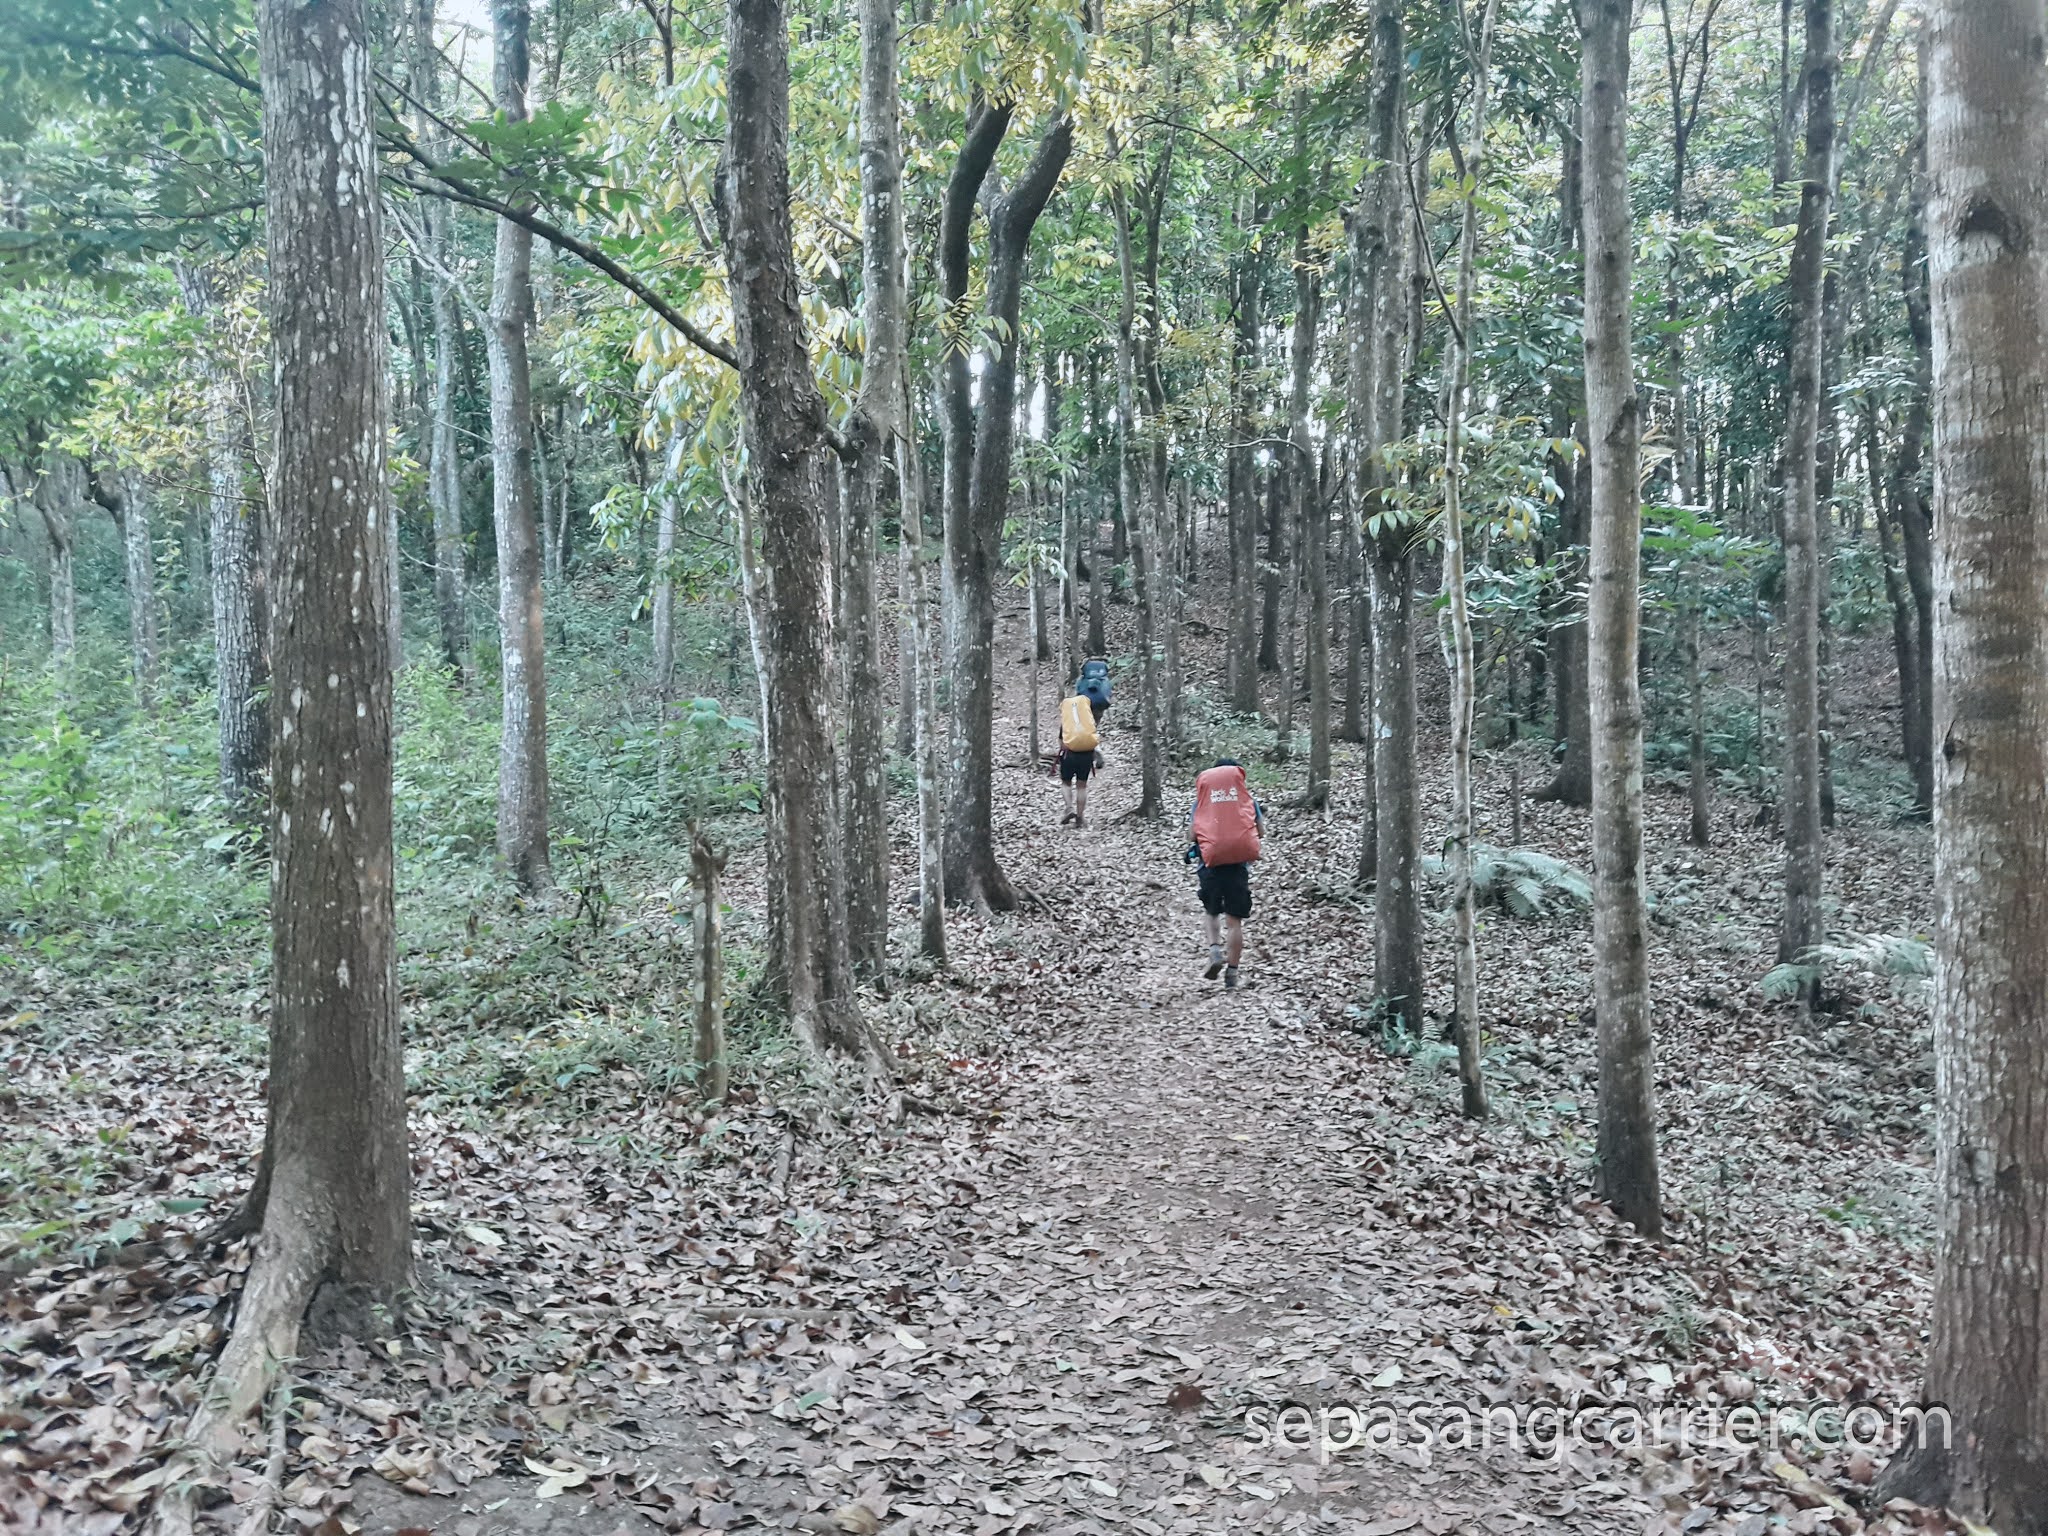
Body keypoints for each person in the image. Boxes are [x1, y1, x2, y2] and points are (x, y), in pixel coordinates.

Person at [1187, 758, 1263, 989]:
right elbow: (1261, 831)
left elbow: (1192, 836)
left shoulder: (1201, 800)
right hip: (1239, 866)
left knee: (1211, 912)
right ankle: (1233, 973)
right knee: (1234, 921)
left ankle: (1214, 950)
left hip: (1209, 865)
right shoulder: (1247, 799)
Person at [1057, 690, 1101, 828]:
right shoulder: (1088, 719)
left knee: (1066, 783)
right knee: (1081, 786)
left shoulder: (1067, 722)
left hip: (1069, 755)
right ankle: (1080, 817)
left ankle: (1069, 807)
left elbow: (1061, 742)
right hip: (1086, 755)